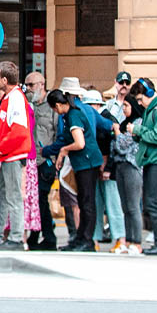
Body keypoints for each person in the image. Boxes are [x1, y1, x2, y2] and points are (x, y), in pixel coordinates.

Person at [47, 87, 102, 251]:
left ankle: (87, 240)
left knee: (87, 202)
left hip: (88, 163)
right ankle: (80, 238)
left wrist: (63, 151)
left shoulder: (74, 115)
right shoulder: (70, 115)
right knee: (83, 200)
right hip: (82, 163)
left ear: (57, 105)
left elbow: (80, 143)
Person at [0, 61, 32, 250]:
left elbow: (19, 131)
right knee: (3, 196)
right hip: (8, 156)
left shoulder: (15, 98)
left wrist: (0, 148)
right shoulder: (9, 98)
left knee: (12, 198)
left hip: (12, 156)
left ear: (5, 80)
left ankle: (15, 238)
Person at [129, 78, 157, 256]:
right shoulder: (152, 109)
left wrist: (138, 131)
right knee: (152, 203)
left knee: (154, 203)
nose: (140, 103)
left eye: (141, 99)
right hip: (151, 160)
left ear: (149, 94)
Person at [85, 89, 125, 252]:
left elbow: (114, 145)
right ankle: (95, 237)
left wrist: (108, 167)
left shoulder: (107, 119)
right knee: (97, 204)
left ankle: (120, 238)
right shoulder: (98, 118)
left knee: (113, 204)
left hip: (109, 168)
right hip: (98, 166)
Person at [25, 71, 58, 250]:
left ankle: (48, 236)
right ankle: (37, 234)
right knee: (34, 200)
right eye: (27, 85)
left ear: (41, 84)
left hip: (46, 160)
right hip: (30, 159)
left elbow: (57, 133)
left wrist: (54, 157)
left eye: (31, 85)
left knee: (41, 198)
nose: (28, 89)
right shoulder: (28, 105)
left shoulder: (51, 106)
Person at [112, 95, 147, 255]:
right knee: (125, 206)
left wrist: (118, 133)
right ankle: (127, 240)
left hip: (132, 166)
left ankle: (137, 241)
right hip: (120, 166)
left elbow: (122, 145)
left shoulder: (137, 123)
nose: (124, 108)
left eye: (126, 105)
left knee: (133, 206)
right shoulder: (124, 123)